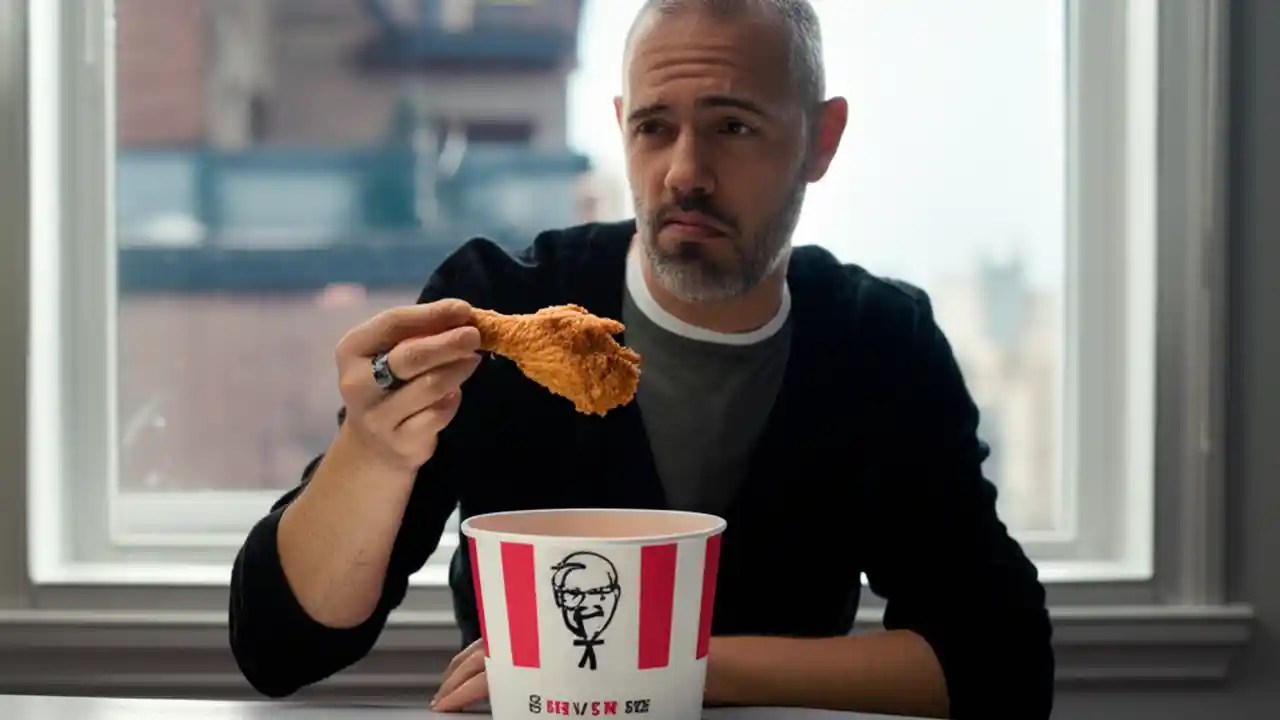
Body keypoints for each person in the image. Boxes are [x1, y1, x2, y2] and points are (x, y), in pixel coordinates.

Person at [227, 0, 1055, 717]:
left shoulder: (880, 344)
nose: (684, 173)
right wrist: (369, 451)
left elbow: (1004, 665)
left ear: (820, 139)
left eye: (733, 126)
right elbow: (279, 647)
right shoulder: (500, 308)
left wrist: (667, 674)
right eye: (653, 127)